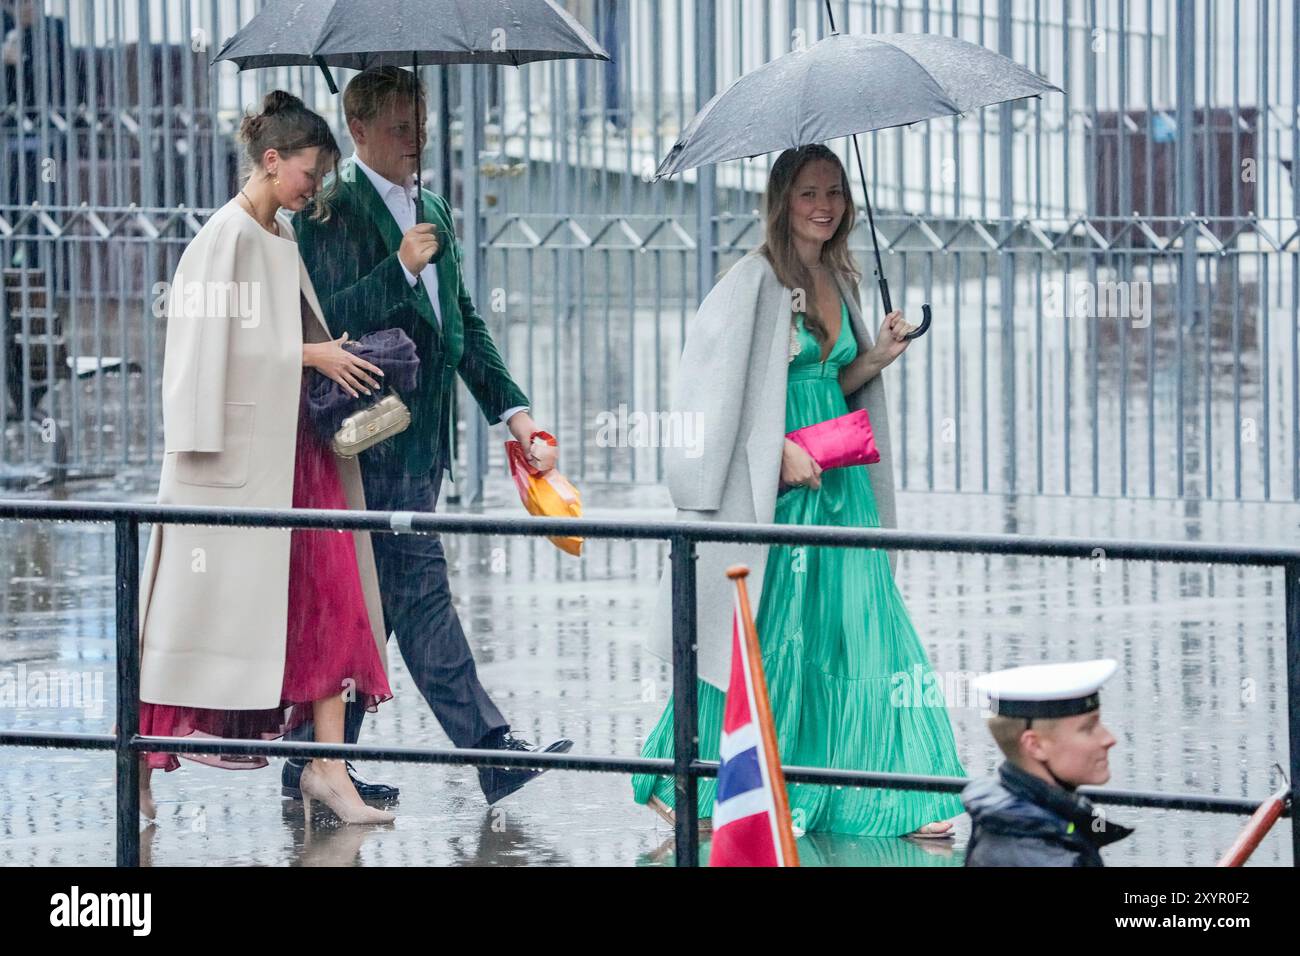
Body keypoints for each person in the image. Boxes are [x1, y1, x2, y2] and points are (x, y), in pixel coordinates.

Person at [632, 143, 965, 837]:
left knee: (862, 630)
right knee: (771, 636)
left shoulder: (838, 277)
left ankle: (895, 794)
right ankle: (677, 775)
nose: (825, 205)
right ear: (783, 198)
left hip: (841, 484)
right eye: (811, 192)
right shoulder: (751, 281)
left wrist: (875, 355)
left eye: (836, 192)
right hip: (776, 490)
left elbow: (825, 385)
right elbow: (711, 396)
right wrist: (772, 449)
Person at [291, 66, 572, 807]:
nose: (415, 139)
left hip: (425, 448)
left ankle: (310, 758)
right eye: (397, 127)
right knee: (418, 599)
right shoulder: (330, 210)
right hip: (367, 443)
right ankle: (490, 750)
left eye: (420, 123)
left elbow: (464, 328)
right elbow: (325, 318)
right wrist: (398, 266)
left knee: (379, 608)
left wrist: (516, 415)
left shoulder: (435, 209)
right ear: (356, 131)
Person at [136, 90, 396, 826]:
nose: (315, 187)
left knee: (337, 607)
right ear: (271, 160)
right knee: (187, 628)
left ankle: (329, 771)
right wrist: (308, 353)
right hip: (235, 464)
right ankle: (140, 770)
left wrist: (321, 352)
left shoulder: (275, 235)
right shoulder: (226, 236)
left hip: (293, 457)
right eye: (309, 172)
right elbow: (199, 353)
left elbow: (267, 342)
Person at [963, 658, 1133, 866]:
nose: (1109, 739)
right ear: (1035, 746)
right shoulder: (1045, 856)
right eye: (1088, 728)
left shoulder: (1007, 821)